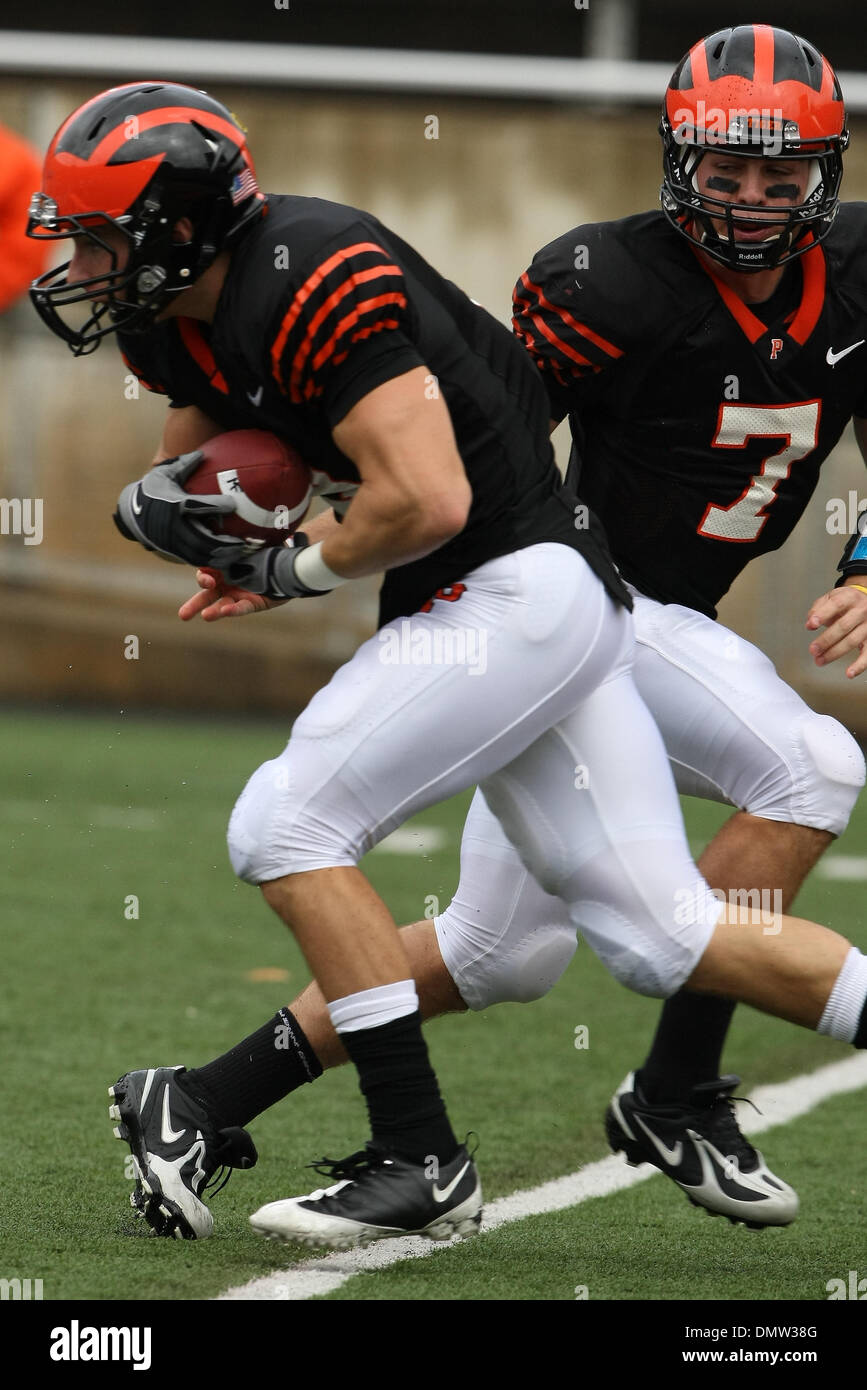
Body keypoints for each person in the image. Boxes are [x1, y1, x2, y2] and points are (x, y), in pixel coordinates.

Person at [27, 69, 867, 1252]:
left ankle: (419, 1153)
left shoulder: (314, 271)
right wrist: (194, 511)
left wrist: (292, 571)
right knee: (642, 934)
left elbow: (427, 495)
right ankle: (210, 1100)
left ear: (175, 225)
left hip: (511, 589)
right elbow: (217, 445)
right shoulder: (180, 318)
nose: (81, 268)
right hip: (547, 599)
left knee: (284, 825)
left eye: (104, 238)